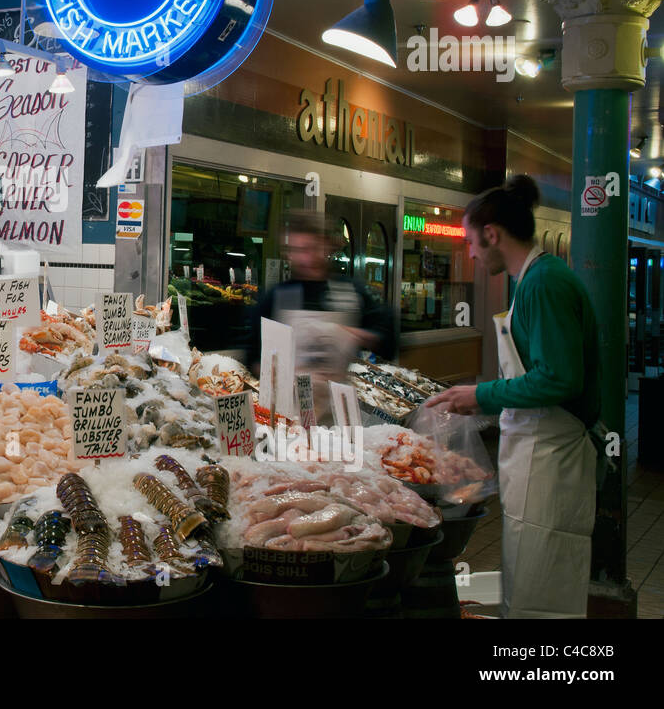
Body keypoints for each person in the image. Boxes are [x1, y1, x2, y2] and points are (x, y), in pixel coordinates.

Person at [426, 175, 598, 619]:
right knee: (532, 575)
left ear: (491, 233)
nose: (471, 252)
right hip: (539, 454)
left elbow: (559, 379)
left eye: (470, 241)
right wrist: (480, 396)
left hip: (552, 455)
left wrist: (482, 395)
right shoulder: (535, 280)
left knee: (544, 585)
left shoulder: (544, 283)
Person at [246, 210, 395, 418]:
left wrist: (354, 334)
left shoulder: (348, 291)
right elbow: (252, 354)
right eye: (297, 250)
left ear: (326, 245)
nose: (305, 258)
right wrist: (280, 375)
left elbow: (389, 339)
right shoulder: (281, 295)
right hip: (288, 415)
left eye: (311, 248)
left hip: (338, 414)